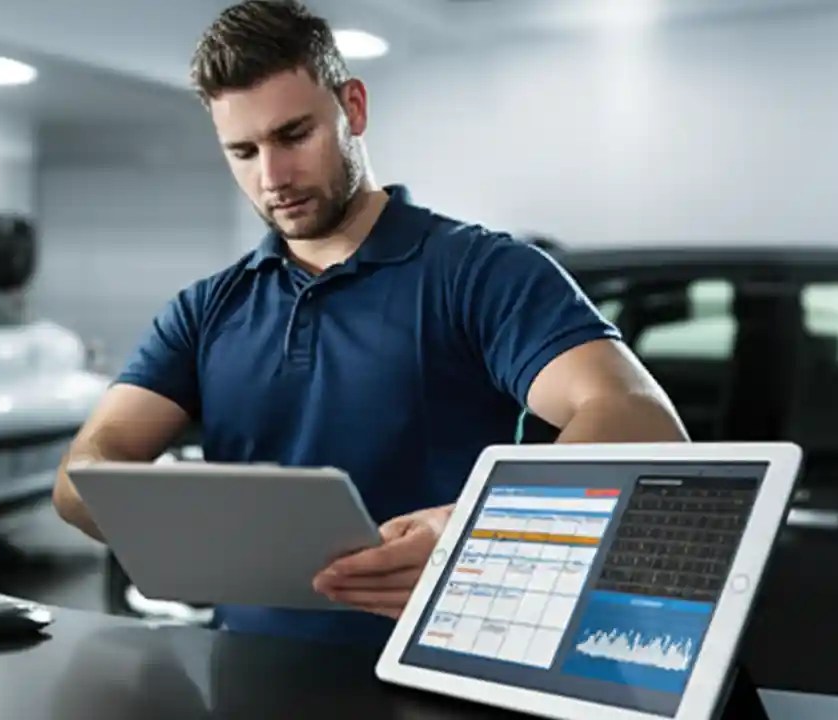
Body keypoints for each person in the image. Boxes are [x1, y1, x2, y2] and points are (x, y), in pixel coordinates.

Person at [53, 0, 688, 648]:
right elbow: (83, 472)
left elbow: (640, 420)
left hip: (440, 672)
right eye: (243, 151)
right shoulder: (207, 308)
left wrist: (477, 529)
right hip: (242, 674)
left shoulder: (481, 272)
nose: (272, 177)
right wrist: (171, 529)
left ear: (352, 108)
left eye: (294, 135)